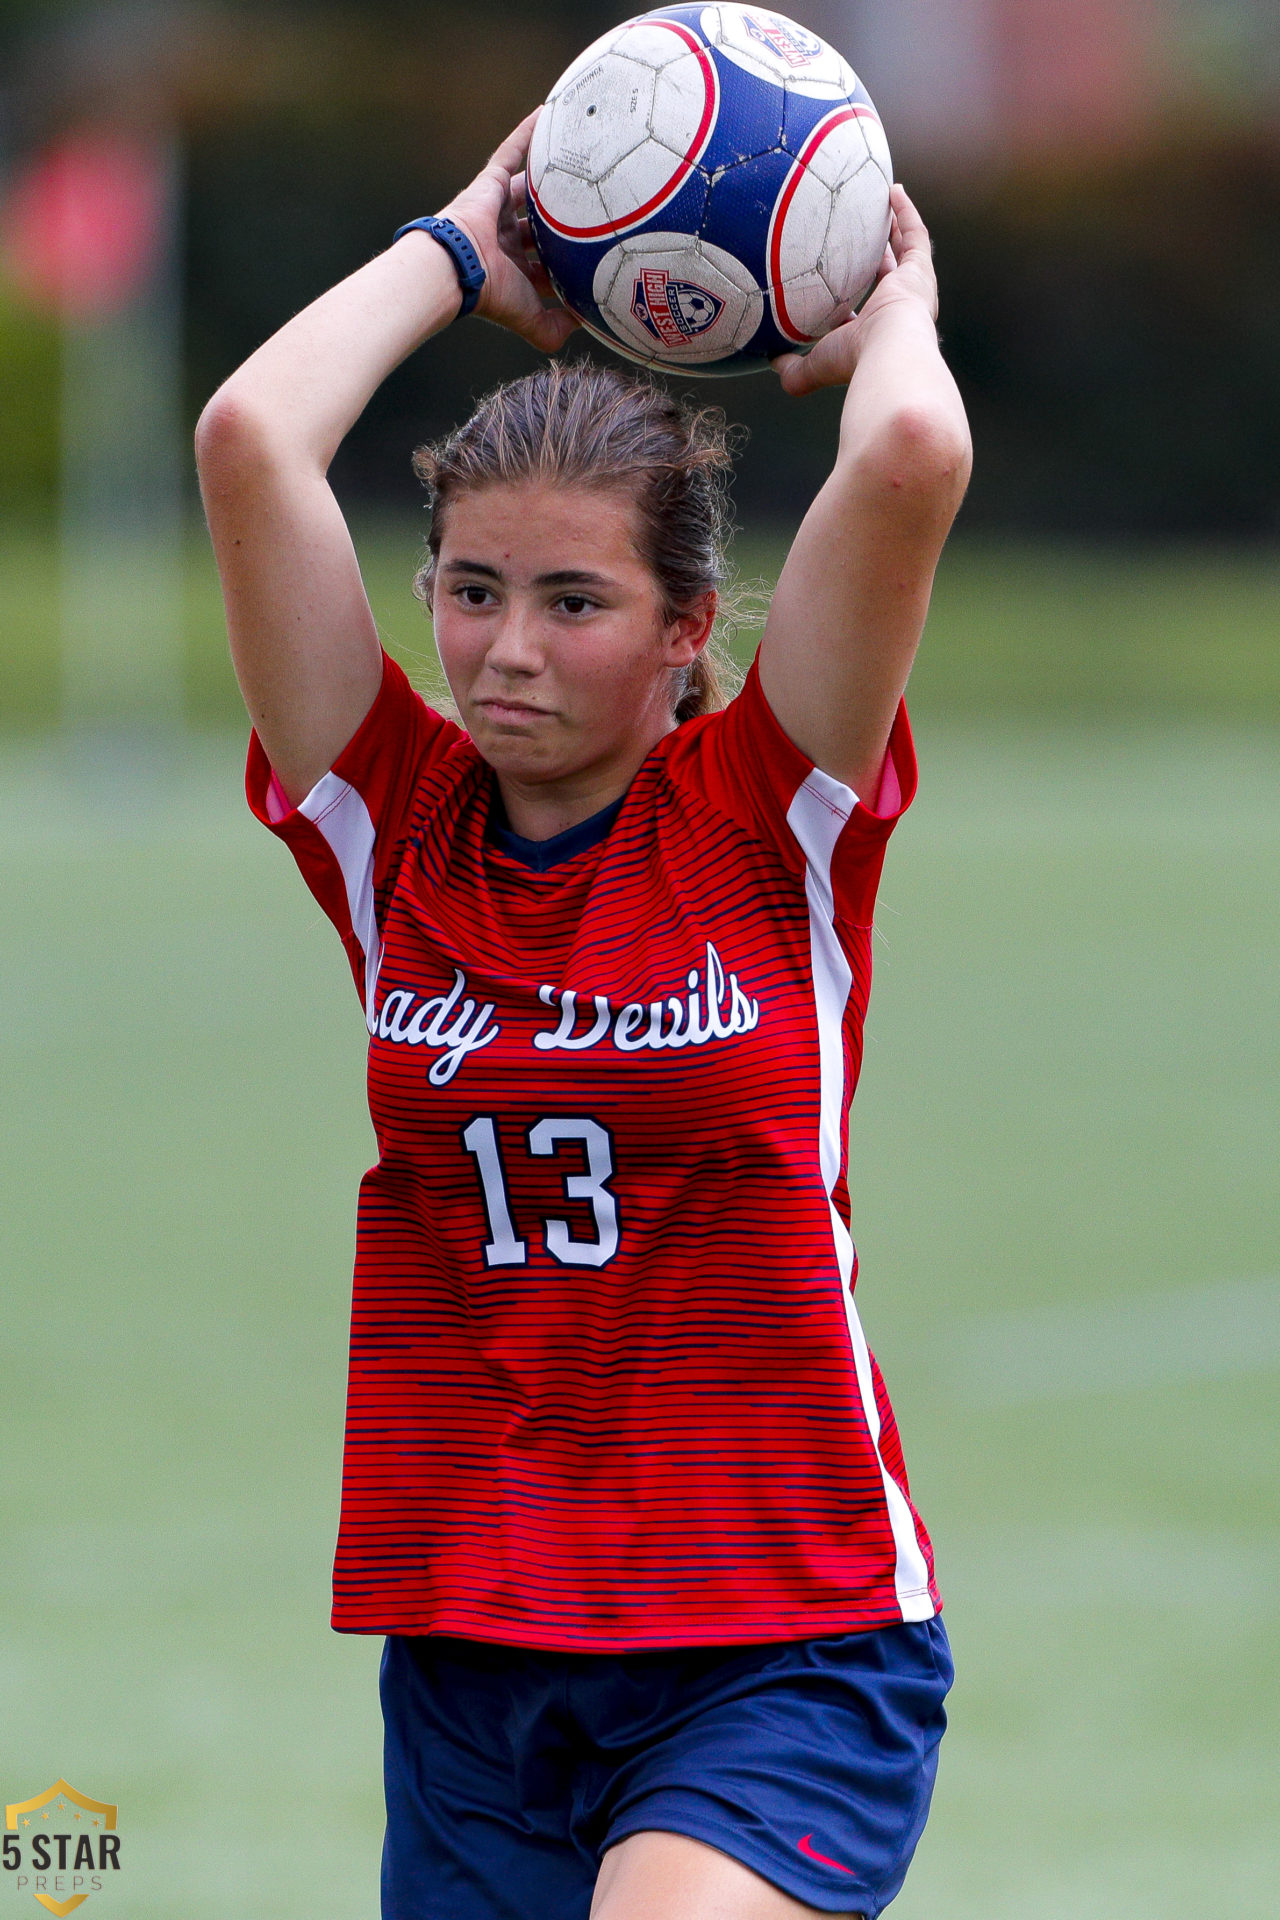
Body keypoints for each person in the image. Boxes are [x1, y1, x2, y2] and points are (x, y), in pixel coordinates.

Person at [196, 108, 971, 1920]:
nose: (508, 650)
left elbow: (915, 447)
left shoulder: (768, 816)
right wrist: (467, 245)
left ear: (690, 629)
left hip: (781, 1628)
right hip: (475, 1638)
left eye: (575, 601)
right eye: (471, 593)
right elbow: (250, 438)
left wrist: (896, 305)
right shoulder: (396, 833)